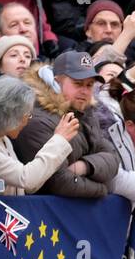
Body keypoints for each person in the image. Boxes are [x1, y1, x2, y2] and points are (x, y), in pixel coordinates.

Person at [13, 50, 118, 197]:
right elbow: (59, 183)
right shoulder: (37, 120)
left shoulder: (87, 113)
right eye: (78, 84)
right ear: (55, 83)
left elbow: (113, 158)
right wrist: (104, 189)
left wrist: (85, 166)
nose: (84, 91)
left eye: (89, 85)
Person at [0, 75, 77, 194]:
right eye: (27, 115)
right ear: (10, 114)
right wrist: (59, 140)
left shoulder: (3, 139)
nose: (27, 121)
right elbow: (26, 179)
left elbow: (29, 186)